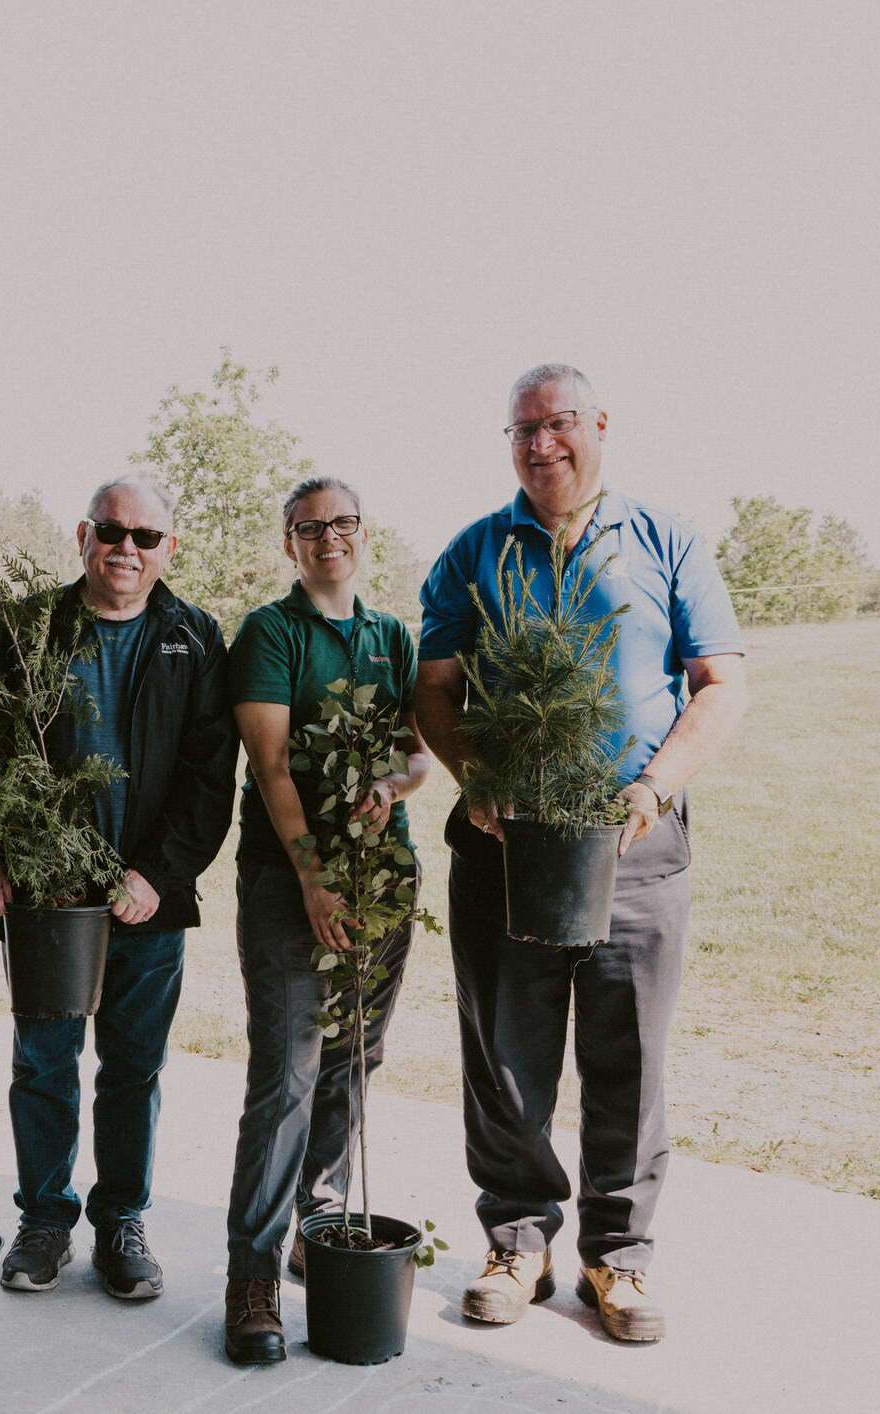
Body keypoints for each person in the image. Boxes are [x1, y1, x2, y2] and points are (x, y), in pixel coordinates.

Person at [412, 363, 748, 1342]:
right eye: (522, 429)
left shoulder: (666, 541)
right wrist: (476, 774)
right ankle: (518, 1242)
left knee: (629, 1055)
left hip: (635, 841)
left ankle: (618, 1259)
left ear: (599, 424)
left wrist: (655, 784)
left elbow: (720, 682)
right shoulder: (477, 552)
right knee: (505, 1057)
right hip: (504, 843)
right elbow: (434, 687)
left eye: (559, 424)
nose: (540, 444)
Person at [0, 475, 238, 1302]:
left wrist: (158, 874)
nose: (127, 549)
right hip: (46, 901)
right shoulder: (24, 631)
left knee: (132, 1068)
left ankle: (121, 1221)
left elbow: (208, 774)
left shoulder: (195, 638)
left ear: (167, 550)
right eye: (112, 531)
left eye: (146, 537)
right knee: (43, 1063)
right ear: (83, 534)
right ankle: (45, 1221)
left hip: (146, 901)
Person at [215, 475, 432, 1364]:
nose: (328, 537)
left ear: (362, 533)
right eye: (310, 528)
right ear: (290, 544)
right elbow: (271, 768)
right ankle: (253, 1279)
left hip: (383, 879)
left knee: (357, 1056)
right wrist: (311, 878)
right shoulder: (270, 633)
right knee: (288, 1076)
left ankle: (317, 1218)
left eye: (341, 522)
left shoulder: (392, 637)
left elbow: (419, 755)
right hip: (291, 883)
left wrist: (389, 784)